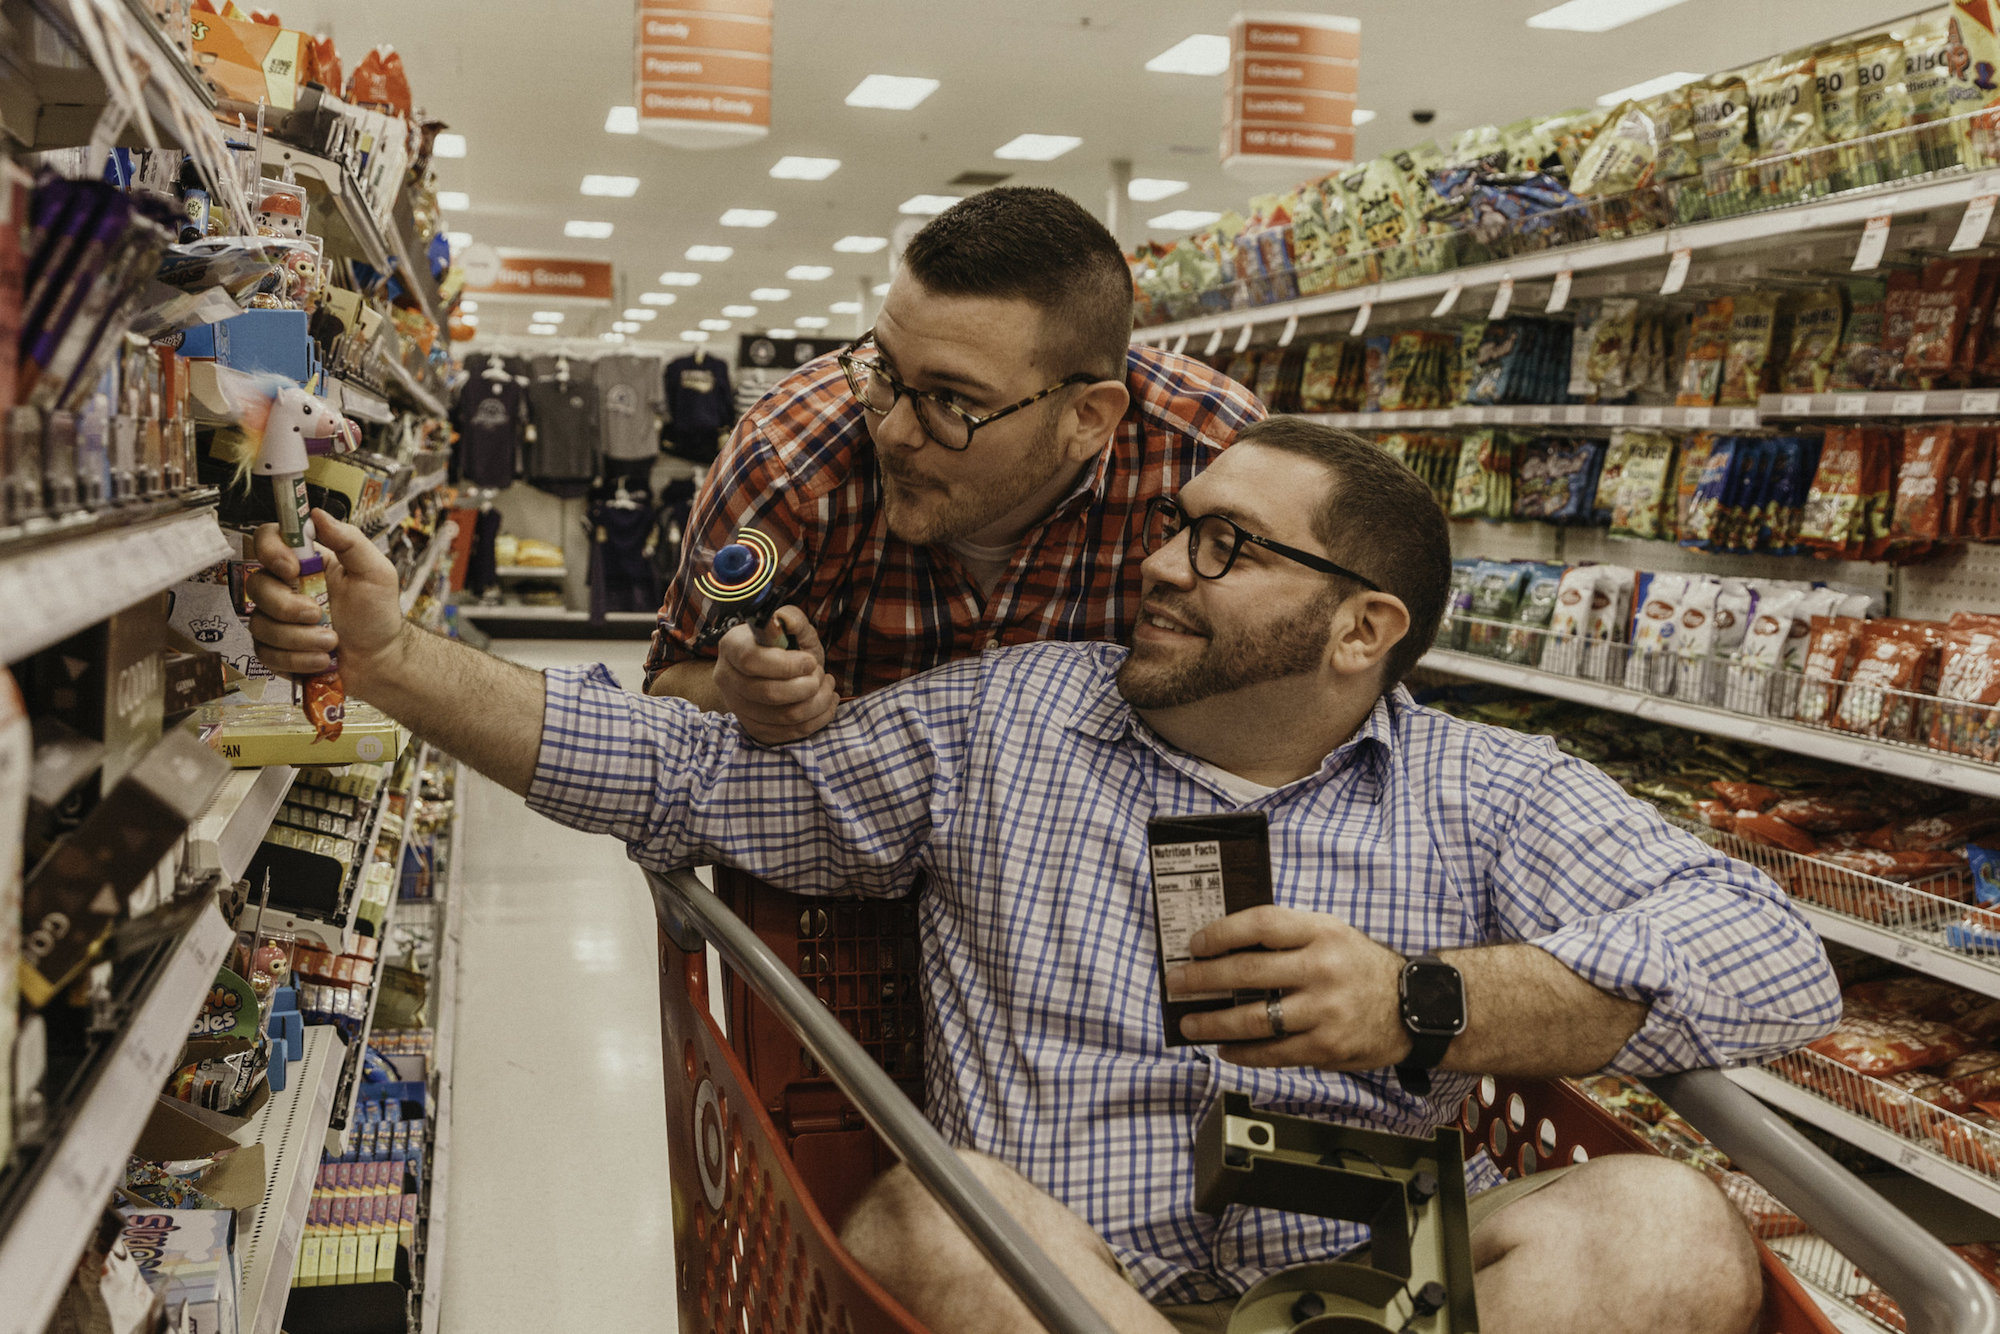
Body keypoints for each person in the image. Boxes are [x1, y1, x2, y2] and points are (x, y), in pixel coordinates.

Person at [244, 418, 1840, 1334]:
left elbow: (1774, 957)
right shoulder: (1010, 720)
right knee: (951, 1211)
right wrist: (393, 662)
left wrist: (1423, 999)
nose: (1156, 562)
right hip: (1065, 1277)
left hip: (1361, 1290)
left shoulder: (1479, 783)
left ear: (1365, 629)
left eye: (1228, 548)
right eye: (1174, 526)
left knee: (1670, 1226)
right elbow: (680, 771)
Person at [642, 186, 1262, 743]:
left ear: (1089, 418)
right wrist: (738, 691)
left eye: (952, 401)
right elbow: (667, 680)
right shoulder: (789, 460)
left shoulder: (1210, 459)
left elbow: (1299, 690)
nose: (893, 431)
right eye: (883, 370)